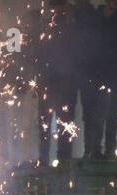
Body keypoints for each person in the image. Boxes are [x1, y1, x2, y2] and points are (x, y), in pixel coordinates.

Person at [80, 0, 117, 160]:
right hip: (97, 77)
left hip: (116, 77)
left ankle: (108, 150)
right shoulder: (92, 18)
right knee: (96, 116)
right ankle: (93, 150)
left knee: (112, 116)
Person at [36, 0, 85, 166]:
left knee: (64, 125)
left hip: (65, 85)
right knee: (46, 124)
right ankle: (45, 160)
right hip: (51, 84)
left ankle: (63, 160)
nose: (59, 11)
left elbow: (78, 55)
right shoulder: (47, 28)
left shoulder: (72, 29)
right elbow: (40, 56)